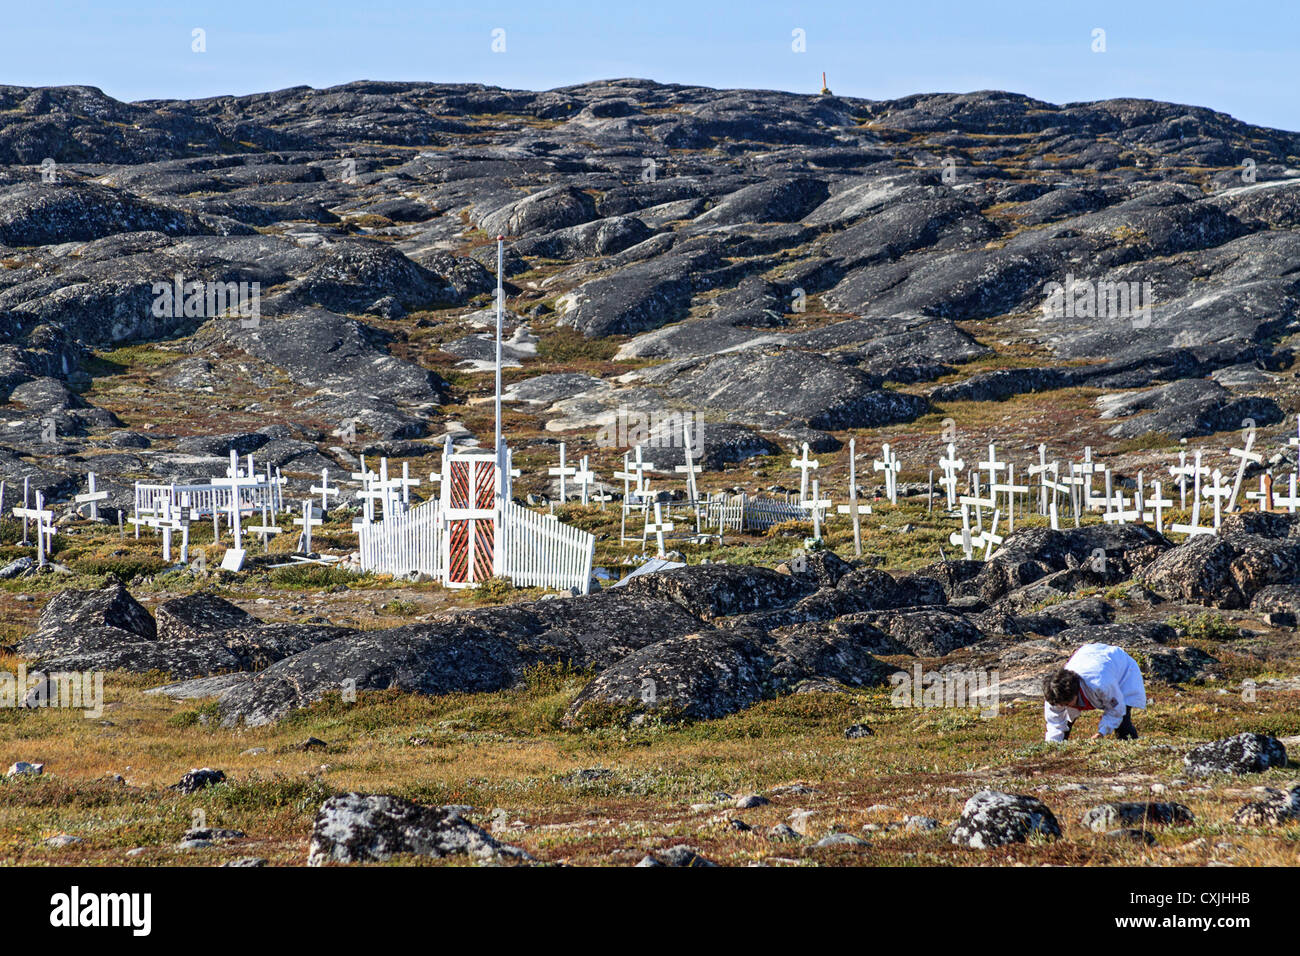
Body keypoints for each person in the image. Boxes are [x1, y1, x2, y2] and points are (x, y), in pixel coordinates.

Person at [1043, 642, 1145, 742]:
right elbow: (1054, 724)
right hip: (1089, 656)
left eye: (1066, 703)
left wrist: (1101, 732)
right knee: (1065, 720)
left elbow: (1116, 710)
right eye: (1060, 704)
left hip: (1121, 669)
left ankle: (1132, 747)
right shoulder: (1054, 693)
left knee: (1123, 724)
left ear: (1076, 692)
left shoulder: (1101, 684)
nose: (1063, 706)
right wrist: (1052, 747)